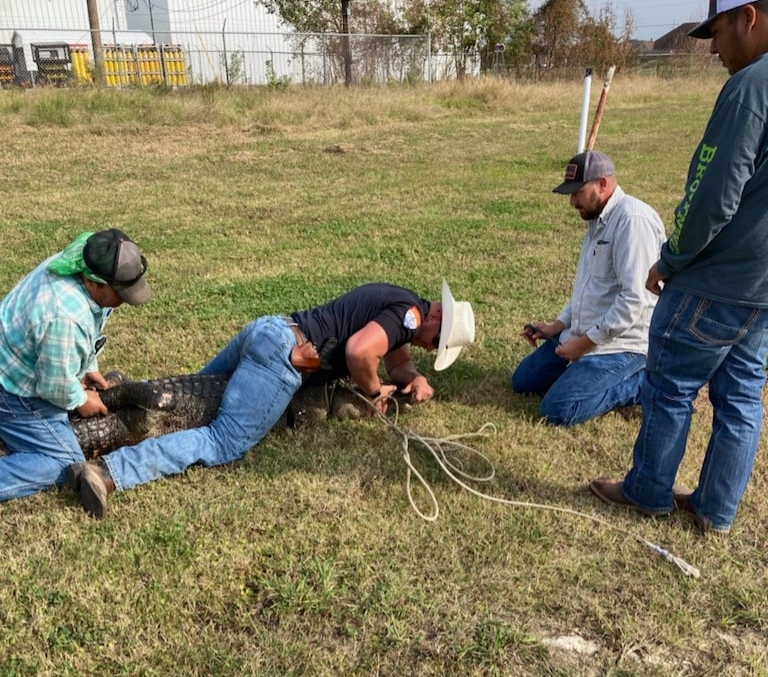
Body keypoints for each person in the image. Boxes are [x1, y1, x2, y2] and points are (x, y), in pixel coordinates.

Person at [589, 0, 768, 535]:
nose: (713, 49)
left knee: (669, 384)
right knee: (741, 396)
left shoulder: (750, 88)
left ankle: (647, 490)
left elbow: (714, 194)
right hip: (763, 289)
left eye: (716, 32)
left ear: (748, 18)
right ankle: (716, 509)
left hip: (719, 278)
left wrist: (672, 258)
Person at [69, 279, 475, 518]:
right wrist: (373, 393)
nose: (429, 347)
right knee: (223, 440)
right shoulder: (411, 317)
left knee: (193, 398)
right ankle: (108, 473)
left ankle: (94, 398)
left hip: (270, 330)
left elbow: (396, 360)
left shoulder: (402, 303)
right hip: (286, 358)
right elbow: (360, 353)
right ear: (436, 316)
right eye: (436, 342)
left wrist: (415, 378)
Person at [510, 150, 666, 426]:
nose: (572, 202)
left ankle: (648, 383)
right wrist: (558, 326)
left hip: (622, 345)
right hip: (585, 334)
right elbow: (587, 287)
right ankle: (583, 376)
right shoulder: (597, 219)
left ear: (602, 184)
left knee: (558, 410)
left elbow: (634, 300)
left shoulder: (632, 221)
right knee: (523, 381)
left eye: (577, 192)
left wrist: (583, 345)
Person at [0, 229, 151, 502]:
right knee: (62, 463)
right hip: (11, 388)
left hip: (14, 359)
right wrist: (80, 399)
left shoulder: (84, 256)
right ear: (94, 282)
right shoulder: (66, 316)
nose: (124, 300)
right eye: (119, 292)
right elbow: (53, 387)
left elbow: (90, 327)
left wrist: (89, 366)